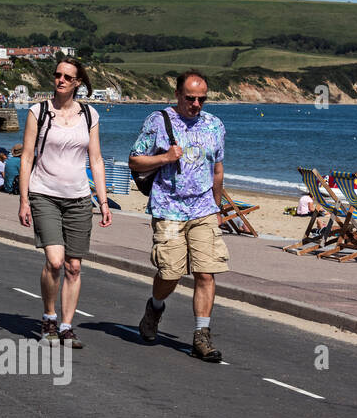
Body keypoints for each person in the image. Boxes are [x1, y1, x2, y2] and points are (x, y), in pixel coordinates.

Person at [129, 70, 228, 362]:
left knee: (206, 272)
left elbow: (218, 170)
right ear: (177, 94)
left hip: (203, 210)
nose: (196, 104)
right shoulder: (158, 121)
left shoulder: (215, 125)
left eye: (201, 99)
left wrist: (217, 208)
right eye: (190, 98)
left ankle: (201, 336)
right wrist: (164, 158)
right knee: (170, 272)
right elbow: (134, 159)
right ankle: (155, 308)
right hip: (169, 210)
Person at [17, 58, 111, 349]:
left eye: (67, 77)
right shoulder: (39, 111)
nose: (60, 80)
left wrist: (103, 201)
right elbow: (27, 157)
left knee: (73, 266)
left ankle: (67, 327)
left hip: (80, 198)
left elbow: (95, 159)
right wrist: (24, 200)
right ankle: (49, 317)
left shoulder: (89, 115)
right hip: (44, 194)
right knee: (55, 262)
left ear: (77, 82)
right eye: (57, 75)